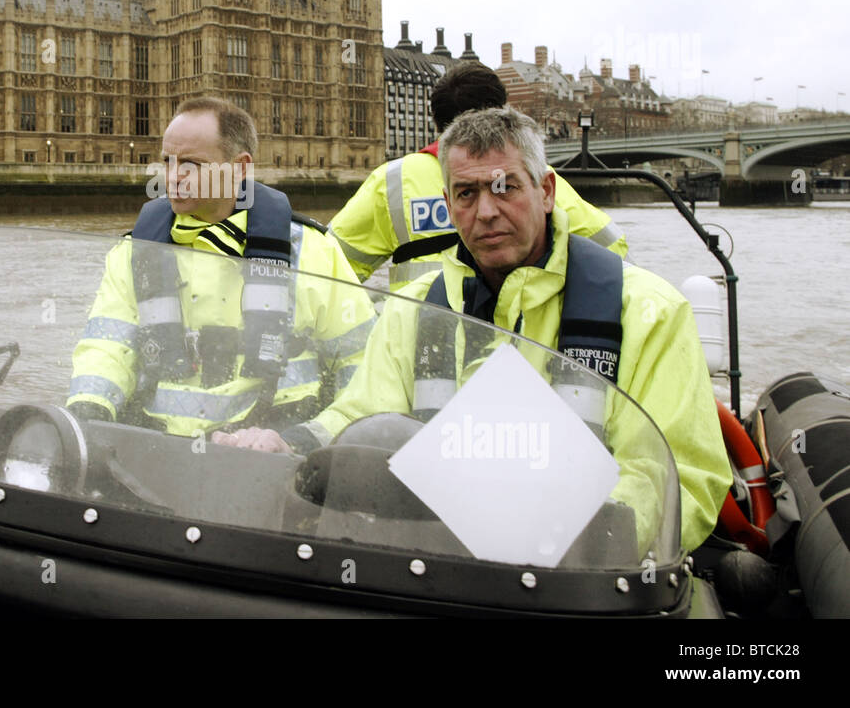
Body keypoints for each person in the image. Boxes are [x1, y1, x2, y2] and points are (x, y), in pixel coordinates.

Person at [217, 106, 731, 552]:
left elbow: (678, 477)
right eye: (466, 193)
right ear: (447, 201)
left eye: (504, 187)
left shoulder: (651, 311)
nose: (485, 211)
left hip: (575, 576)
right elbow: (363, 416)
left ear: (547, 190)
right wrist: (289, 442)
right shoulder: (414, 309)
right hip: (435, 561)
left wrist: (578, 532)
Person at [67, 97, 375, 438]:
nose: (172, 176)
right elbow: (107, 347)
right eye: (167, 162)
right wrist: (86, 413)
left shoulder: (309, 249)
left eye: (191, 164)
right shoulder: (135, 250)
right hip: (158, 449)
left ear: (240, 167)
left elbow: (361, 365)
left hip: (274, 447)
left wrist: (310, 438)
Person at [328, 64, 627, 290]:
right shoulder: (534, 181)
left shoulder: (393, 180)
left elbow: (324, 266)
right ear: (501, 118)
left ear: (436, 119)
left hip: (419, 349)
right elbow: (613, 253)